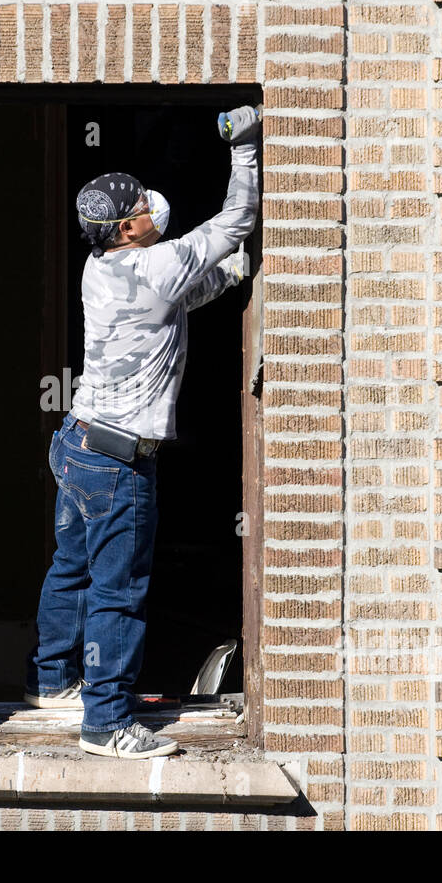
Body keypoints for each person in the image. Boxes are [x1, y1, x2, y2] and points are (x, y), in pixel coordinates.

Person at [24, 105, 262, 759]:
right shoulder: (159, 264)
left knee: (70, 570)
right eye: (138, 206)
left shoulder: (100, 268)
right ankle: (104, 723)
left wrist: (225, 277)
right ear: (126, 228)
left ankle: (51, 681)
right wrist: (245, 146)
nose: (151, 206)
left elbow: (176, 296)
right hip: (118, 465)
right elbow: (235, 222)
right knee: (118, 592)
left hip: (76, 445)